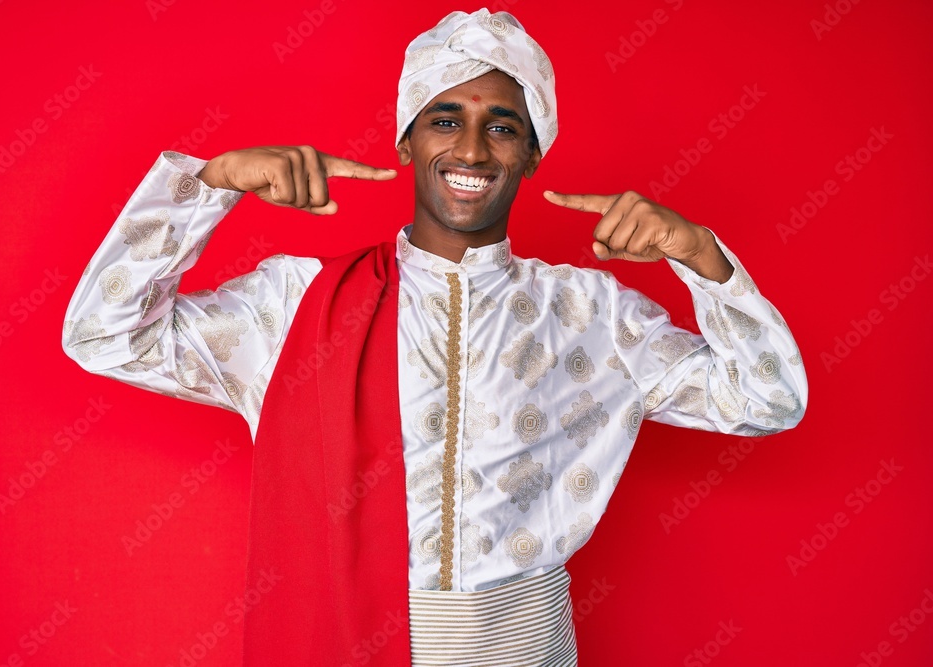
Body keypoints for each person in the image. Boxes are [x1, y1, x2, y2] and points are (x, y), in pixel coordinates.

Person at [62, 8, 807, 666]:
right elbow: (103, 334)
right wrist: (212, 184)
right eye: (445, 119)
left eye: (503, 126)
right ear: (406, 140)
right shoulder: (296, 304)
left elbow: (769, 398)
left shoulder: (591, 312)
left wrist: (702, 259)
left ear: (533, 153)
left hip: (527, 650)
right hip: (337, 642)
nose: (474, 151)